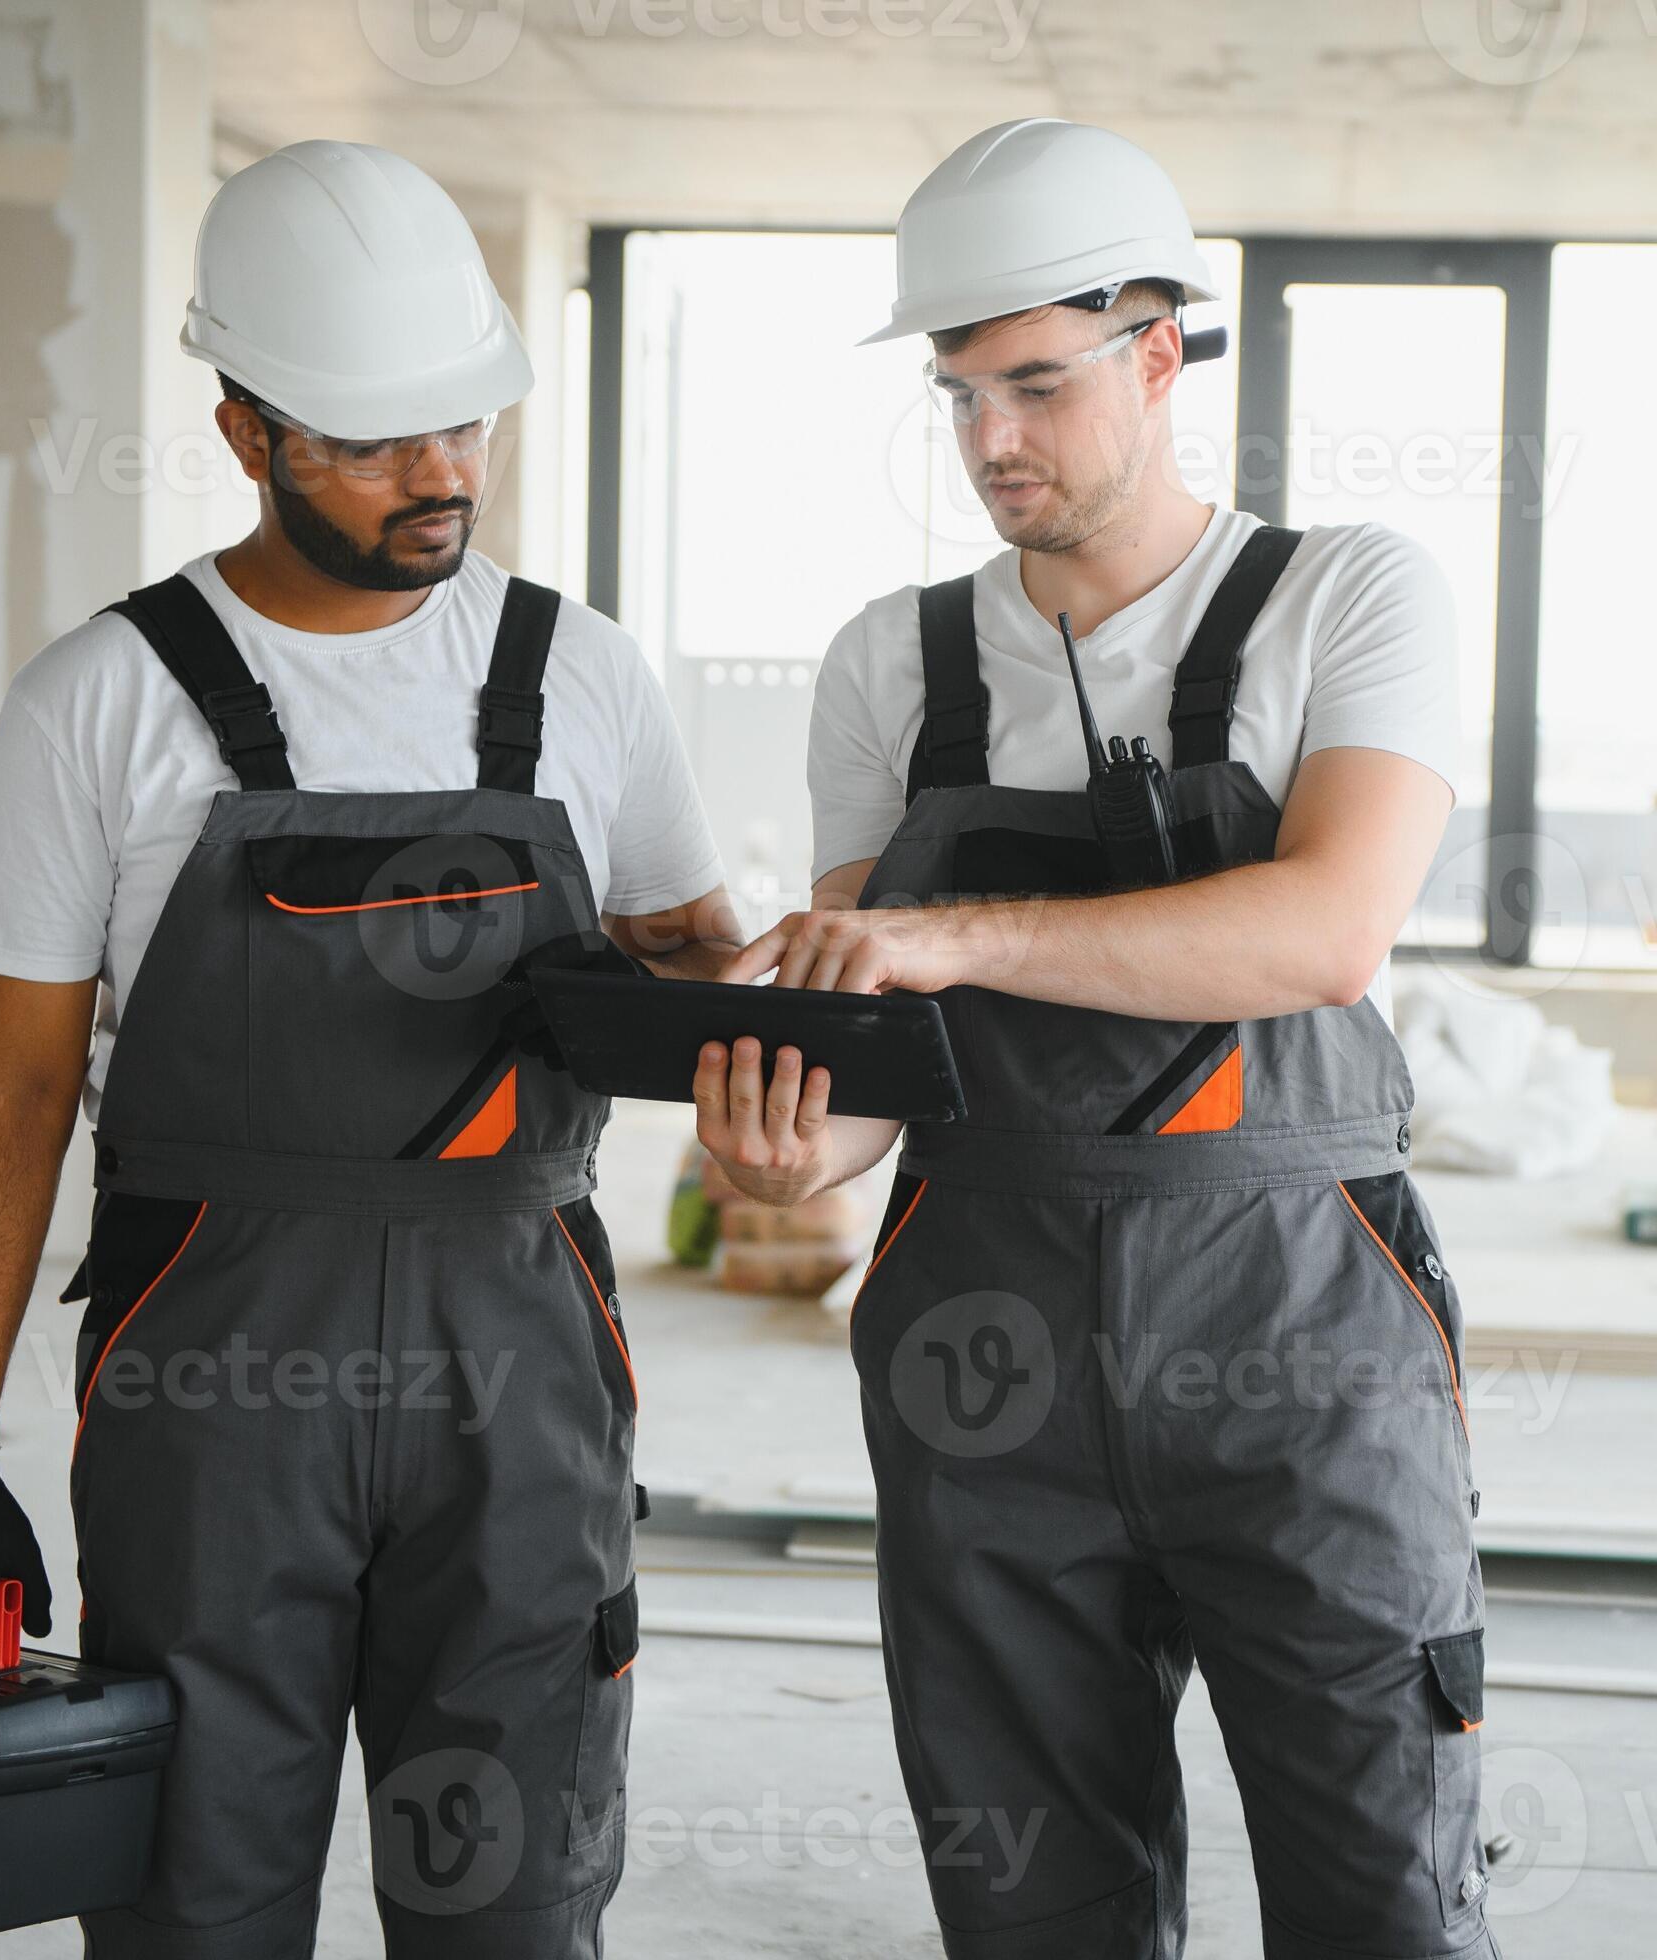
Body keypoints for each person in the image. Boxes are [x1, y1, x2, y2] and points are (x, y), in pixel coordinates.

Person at [0, 140, 732, 1958]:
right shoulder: (99, 700)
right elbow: (13, 1093)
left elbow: (690, 952)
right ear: (242, 429)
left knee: (513, 1893)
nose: (440, 477)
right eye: (372, 440)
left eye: (463, 425)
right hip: (209, 1369)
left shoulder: (582, 673)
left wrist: (780, 1030)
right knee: (196, 1891)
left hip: (518, 1357)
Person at [691, 117, 1499, 1960]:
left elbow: (1321, 931)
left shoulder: (1348, 597)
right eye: (958, 390)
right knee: (1030, 1901)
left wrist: (942, 929)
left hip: (1296, 1329)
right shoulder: (890, 664)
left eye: (1037, 384)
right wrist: (777, 1146)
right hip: (983, 1349)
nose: (990, 442)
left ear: (1158, 354)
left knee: (1381, 1879)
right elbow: (861, 1079)